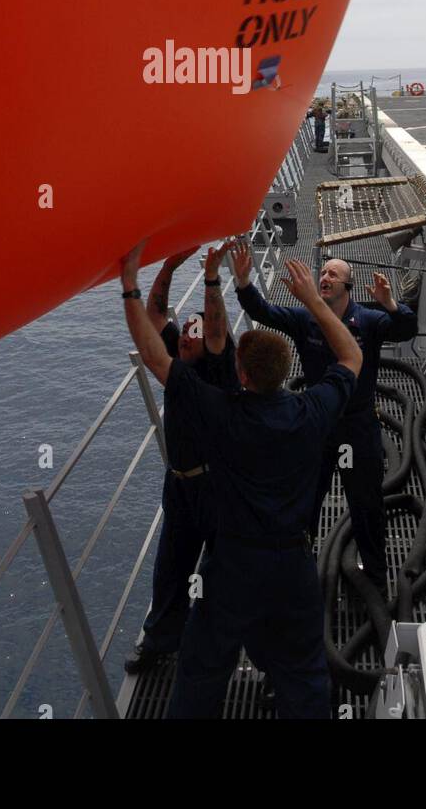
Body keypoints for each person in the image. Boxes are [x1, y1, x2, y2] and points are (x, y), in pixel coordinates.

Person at [120, 247, 362, 719]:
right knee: (303, 670)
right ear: (284, 374)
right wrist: (313, 302)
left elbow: (153, 356)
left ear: (241, 374)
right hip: (292, 564)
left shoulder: (221, 413)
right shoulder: (311, 411)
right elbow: (351, 356)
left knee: (203, 667)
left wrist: (129, 283)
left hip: (232, 565)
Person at [231, 242, 417, 594]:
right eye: (324, 272)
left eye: (334, 274)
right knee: (305, 498)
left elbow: (406, 328)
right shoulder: (305, 319)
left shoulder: (369, 320)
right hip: (318, 423)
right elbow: (264, 311)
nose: (325, 277)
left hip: (358, 425)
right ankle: (298, 563)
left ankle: (374, 576)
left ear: (348, 287)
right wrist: (243, 284)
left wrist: (390, 302)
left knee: (366, 502)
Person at [124, 241, 239, 675]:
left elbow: (214, 329)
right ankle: (160, 639)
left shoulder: (217, 364)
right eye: (185, 327)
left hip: (217, 484)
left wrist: (211, 276)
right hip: (180, 482)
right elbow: (155, 318)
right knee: (171, 565)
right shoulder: (178, 360)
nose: (189, 332)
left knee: (224, 565)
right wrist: (170, 266)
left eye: (197, 328)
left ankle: (221, 640)